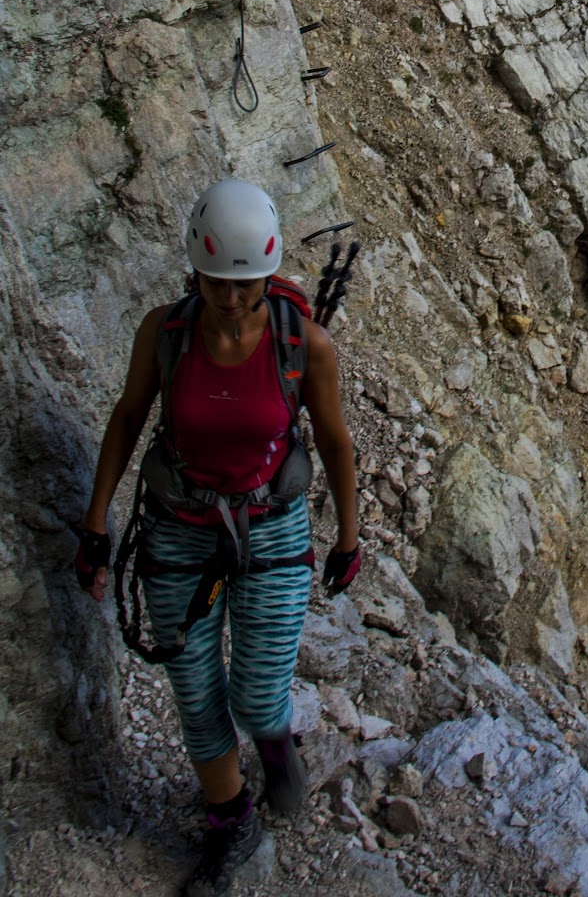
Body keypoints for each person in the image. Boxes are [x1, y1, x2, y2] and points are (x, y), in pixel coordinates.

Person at [74, 179, 361, 897]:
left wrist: (347, 538)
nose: (231, 299)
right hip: (178, 528)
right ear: (194, 272)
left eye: (246, 286)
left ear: (267, 276)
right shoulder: (165, 332)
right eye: (216, 284)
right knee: (196, 696)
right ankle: (230, 822)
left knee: (257, 698)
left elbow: (333, 441)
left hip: (271, 527)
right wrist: (96, 524)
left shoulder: (305, 347)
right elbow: (127, 418)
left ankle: (273, 744)